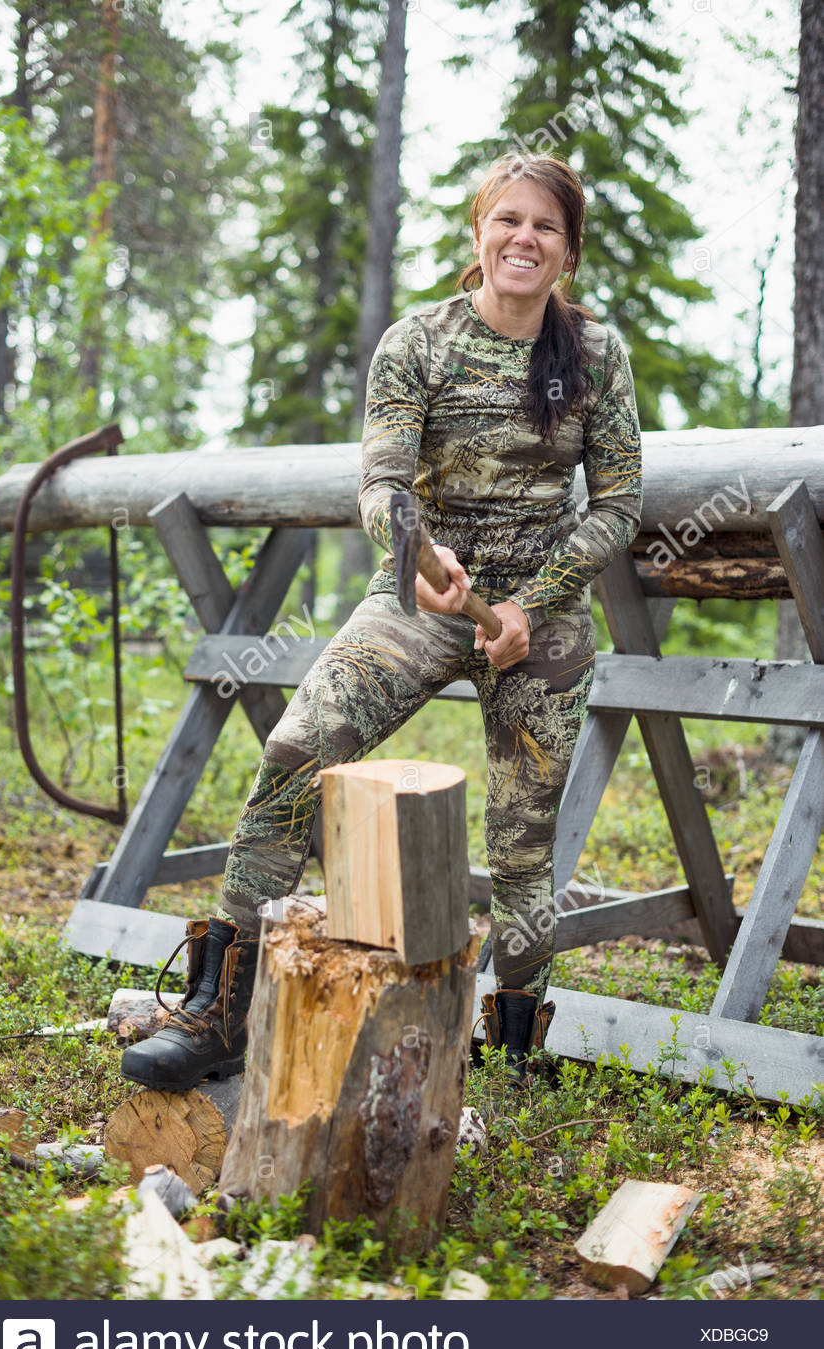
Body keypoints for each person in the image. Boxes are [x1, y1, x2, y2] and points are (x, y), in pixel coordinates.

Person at [121, 149, 642, 1091]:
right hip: (424, 595)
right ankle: (217, 1011)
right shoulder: (418, 341)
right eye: (507, 220)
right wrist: (420, 556)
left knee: (524, 844)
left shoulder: (596, 354)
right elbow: (383, 483)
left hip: (541, 618)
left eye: (545, 227)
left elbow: (616, 502)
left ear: (568, 250)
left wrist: (532, 603)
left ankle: (515, 1053)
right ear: (478, 233)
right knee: (296, 747)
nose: (523, 239)